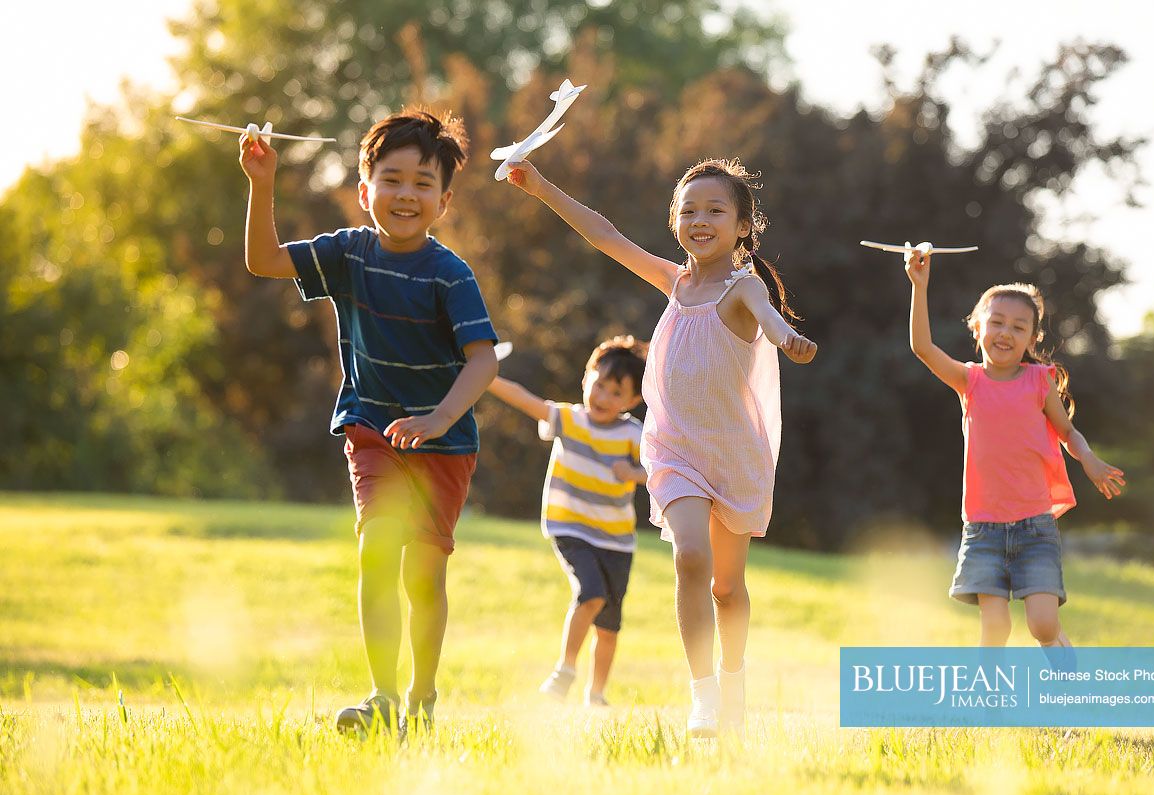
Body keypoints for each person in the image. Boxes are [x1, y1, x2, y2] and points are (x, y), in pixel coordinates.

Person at [503, 157, 817, 736]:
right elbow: (605, 236)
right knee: (690, 556)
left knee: (727, 587)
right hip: (674, 449)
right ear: (674, 220)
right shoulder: (674, 282)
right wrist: (540, 186)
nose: (701, 220)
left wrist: (789, 338)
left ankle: (734, 679)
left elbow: (769, 319)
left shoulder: (743, 288)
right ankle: (703, 697)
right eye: (689, 210)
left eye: (716, 211)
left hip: (736, 454)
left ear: (742, 226)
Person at [238, 107, 498, 735]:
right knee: (378, 550)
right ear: (364, 190)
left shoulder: (450, 274)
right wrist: (262, 184)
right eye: (392, 179)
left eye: (422, 183)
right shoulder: (347, 253)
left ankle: (421, 696)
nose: (406, 194)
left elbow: (484, 361)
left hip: (444, 444)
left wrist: (439, 418)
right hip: (373, 430)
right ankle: (382, 697)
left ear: (444, 201)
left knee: (423, 577)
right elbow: (264, 260)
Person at [901, 244, 1125, 659]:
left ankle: (1066, 672)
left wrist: (1089, 460)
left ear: (1032, 339)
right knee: (995, 626)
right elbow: (923, 348)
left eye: (1018, 327)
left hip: (1034, 528)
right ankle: (990, 696)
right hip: (983, 528)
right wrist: (919, 286)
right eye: (997, 322)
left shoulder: (1040, 381)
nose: (1005, 333)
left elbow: (1067, 431)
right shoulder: (969, 381)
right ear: (977, 328)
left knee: (1043, 625)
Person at [485, 336, 648, 706]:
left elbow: (660, 471)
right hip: (571, 528)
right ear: (586, 378)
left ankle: (597, 695)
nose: (603, 397)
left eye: (616, 393)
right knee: (591, 594)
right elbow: (526, 400)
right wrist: (485, 377)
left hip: (616, 540)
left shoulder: (632, 434)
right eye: (599, 385)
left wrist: (635, 473)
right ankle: (565, 670)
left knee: (608, 627)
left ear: (632, 401)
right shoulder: (569, 419)